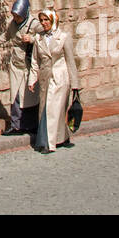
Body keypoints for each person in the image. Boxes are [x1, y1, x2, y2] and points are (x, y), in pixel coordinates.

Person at [27, 8, 80, 153]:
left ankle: (48, 144)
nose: (44, 23)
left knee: (54, 109)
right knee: (46, 109)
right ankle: (61, 137)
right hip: (45, 78)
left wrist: (75, 84)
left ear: (53, 20)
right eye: (42, 20)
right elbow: (35, 62)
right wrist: (32, 79)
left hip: (60, 78)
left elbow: (70, 61)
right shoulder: (38, 38)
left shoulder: (63, 37)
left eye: (46, 20)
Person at [0, 0, 38, 135]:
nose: (16, 18)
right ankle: (16, 125)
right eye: (14, 16)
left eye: (18, 16)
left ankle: (31, 125)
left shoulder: (34, 24)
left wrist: (32, 39)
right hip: (16, 65)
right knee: (15, 96)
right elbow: (5, 36)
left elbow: (47, 38)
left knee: (29, 97)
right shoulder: (13, 24)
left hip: (29, 65)